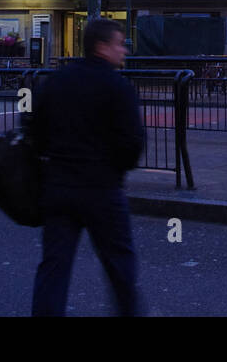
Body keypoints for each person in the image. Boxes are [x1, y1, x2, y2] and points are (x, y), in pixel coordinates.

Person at [29, 18, 146, 316]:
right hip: (102, 187)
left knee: (54, 266)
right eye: (120, 44)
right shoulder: (118, 87)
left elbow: (33, 130)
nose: (124, 51)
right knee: (119, 265)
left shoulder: (57, 80)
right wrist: (117, 168)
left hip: (58, 185)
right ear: (102, 46)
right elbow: (132, 142)